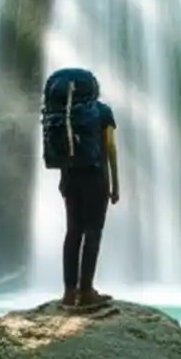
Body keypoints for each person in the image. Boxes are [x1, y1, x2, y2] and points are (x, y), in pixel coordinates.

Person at [60, 99, 119, 308]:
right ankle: (86, 292)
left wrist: (64, 179)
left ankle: (68, 292)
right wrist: (115, 183)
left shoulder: (65, 113)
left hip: (70, 178)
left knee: (73, 232)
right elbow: (110, 145)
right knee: (93, 232)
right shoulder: (103, 111)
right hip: (96, 178)